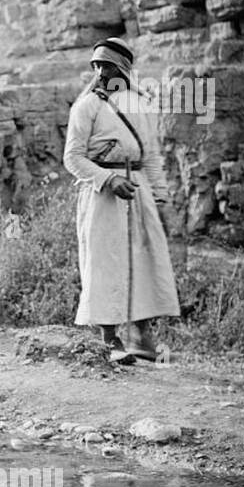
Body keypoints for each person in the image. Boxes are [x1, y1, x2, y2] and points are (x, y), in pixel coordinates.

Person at [62, 36, 179, 363]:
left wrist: (161, 199)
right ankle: (109, 340)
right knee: (104, 262)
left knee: (143, 261)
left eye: (107, 65)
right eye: (95, 65)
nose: (99, 72)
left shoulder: (141, 104)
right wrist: (108, 179)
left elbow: (152, 157)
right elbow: (72, 158)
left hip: (138, 191)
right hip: (102, 195)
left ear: (123, 69)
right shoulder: (86, 106)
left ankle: (141, 337)